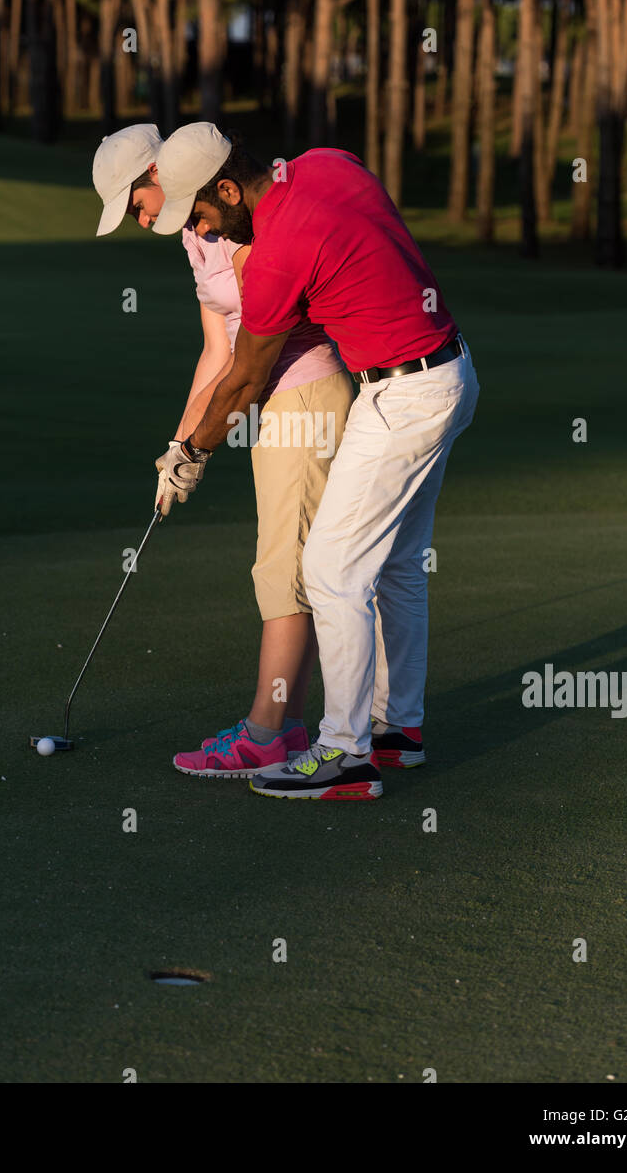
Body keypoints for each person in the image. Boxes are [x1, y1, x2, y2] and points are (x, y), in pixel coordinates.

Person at [153, 123, 479, 803]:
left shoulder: (274, 258)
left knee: (330, 570)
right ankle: (398, 733)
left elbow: (242, 380)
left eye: (205, 217)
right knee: (396, 564)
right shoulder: (328, 162)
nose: (206, 234)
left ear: (227, 187)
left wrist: (190, 452)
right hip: (449, 369)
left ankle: (344, 755)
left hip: (404, 396)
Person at [92, 123, 354, 779]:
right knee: (284, 566)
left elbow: (251, 355)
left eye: (131, 202)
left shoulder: (233, 221)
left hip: (302, 396)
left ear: (154, 174)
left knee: (284, 570)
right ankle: (286, 726)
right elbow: (217, 351)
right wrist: (176, 450)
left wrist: (200, 447)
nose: (134, 217)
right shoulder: (193, 235)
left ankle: (267, 735)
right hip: (266, 403)